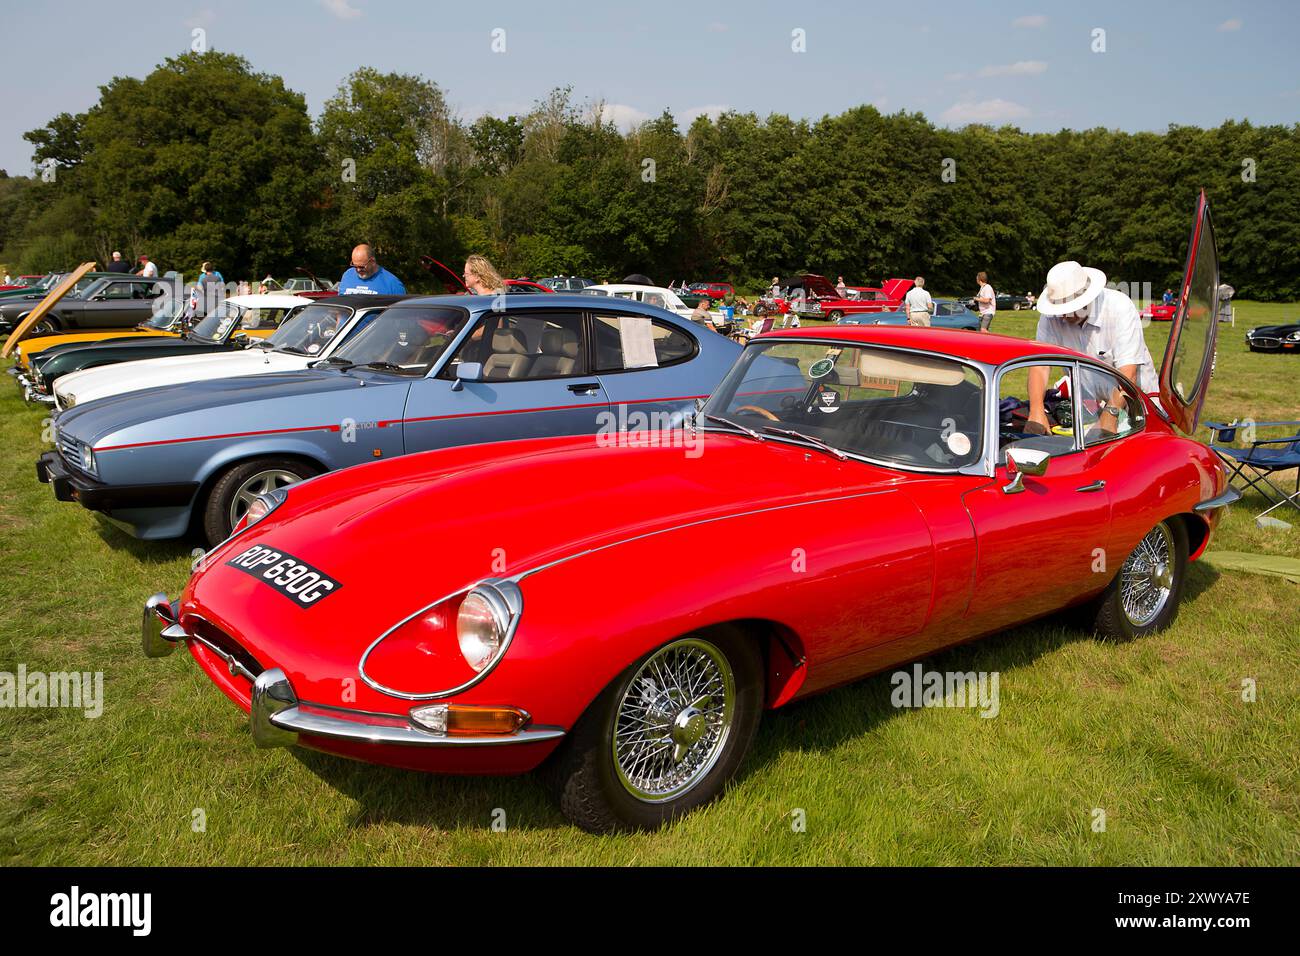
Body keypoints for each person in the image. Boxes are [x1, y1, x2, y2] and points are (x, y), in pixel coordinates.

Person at [1027, 260, 1158, 435]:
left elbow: (1129, 374)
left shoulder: (1119, 307)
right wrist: (1036, 410)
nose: (1063, 316)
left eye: (1070, 308)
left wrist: (1110, 414)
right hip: (1094, 407)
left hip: (1140, 407)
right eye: (1059, 309)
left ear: (1087, 296)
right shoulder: (1051, 317)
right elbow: (1040, 365)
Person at [338, 243, 406, 295]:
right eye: (355, 266)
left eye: (362, 266)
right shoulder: (347, 275)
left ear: (373, 262)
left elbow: (401, 312)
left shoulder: (392, 284)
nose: (358, 270)